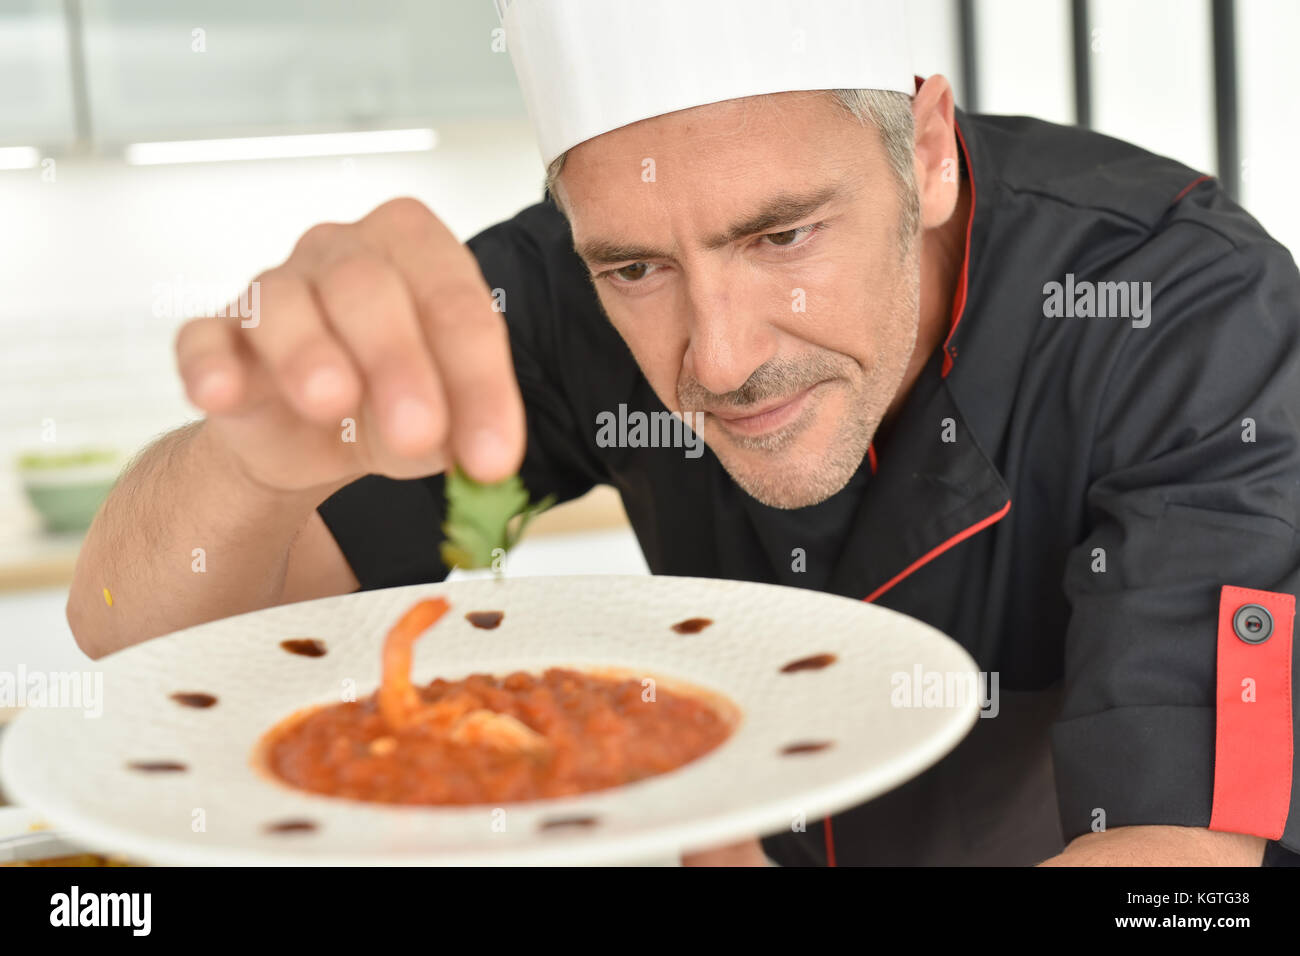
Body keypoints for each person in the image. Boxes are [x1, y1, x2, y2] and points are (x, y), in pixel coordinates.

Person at [67, 0, 1299, 866]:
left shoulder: (1186, 309)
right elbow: (136, 636)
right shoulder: (555, 286)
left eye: (781, 237)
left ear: (925, 149)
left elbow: (1177, 859)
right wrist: (247, 459)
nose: (718, 356)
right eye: (638, 266)